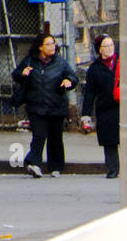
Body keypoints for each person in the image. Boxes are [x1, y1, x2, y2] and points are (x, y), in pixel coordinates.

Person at [13, 32, 78, 178]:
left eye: (53, 43)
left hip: (56, 105)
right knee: (39, 135)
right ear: (40, 47)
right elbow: (16, 74)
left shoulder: (60, 62)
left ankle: (55, 167)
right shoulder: (30, 60)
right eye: (48, 44)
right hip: (36, 105)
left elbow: (73, 76)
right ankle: (33, 163)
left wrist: (69, 81)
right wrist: (22, 73)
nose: (52, 46)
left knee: (55, 137)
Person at [82, 34, 120, 178]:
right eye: (106, 46)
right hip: (105, 108)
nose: (110, 48)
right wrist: (85, 114)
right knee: (109, 140)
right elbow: (89, 93)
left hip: (123, 106)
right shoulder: (94, 69)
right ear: (99, 49)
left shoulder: (122, 62)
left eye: (112, 45)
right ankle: (112, 168)